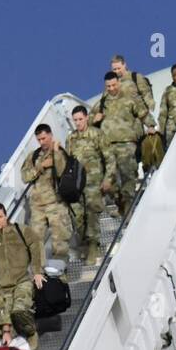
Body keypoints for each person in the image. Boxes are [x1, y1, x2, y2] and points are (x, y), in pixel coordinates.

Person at [0, 204, 43, 350]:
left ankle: (31, 333)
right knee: (7, 325)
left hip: (22, 281)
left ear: (6, 216)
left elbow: (35, 246)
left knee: (18, 310)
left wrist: (37, 271)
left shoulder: (20, 230)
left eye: (0, 216)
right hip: (3, 288)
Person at [91, 71, 155, 217]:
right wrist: (95, 119)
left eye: (114, 85)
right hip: (107, 146)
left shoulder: (129, 99)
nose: (112, 88)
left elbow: (143, 113)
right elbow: (89, 119)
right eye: (108, 86)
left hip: (126, 144)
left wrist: (151, 126)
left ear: (118, 83)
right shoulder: (102, 102)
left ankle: (128, 212)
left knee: (128, 177)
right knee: (107, 181)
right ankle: (119, 200)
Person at [64, 105, 112, 274]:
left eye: (80, 119)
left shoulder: (96, 134)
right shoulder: (70, 140)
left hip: (94, 182)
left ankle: (93, 246)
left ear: (86, 118)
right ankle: (87, 244)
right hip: (77, 185)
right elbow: (68, 164)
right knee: (77, 216)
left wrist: (108, 179)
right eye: (75, 120)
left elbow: (109, 157)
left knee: (92, 214)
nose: (78, 123)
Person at [20, 124, 73, 271]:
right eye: (39, 139)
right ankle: (39, 272)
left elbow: (63, 170)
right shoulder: (34, 156)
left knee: (59, 241)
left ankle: (61, 272)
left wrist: (55, 152)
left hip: (56, 202)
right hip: (38, 206)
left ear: (50, 135)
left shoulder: (60, 151)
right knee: (36, 241)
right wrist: (41, 166)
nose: (42, 142)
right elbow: (25, 176)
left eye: (44, 138)